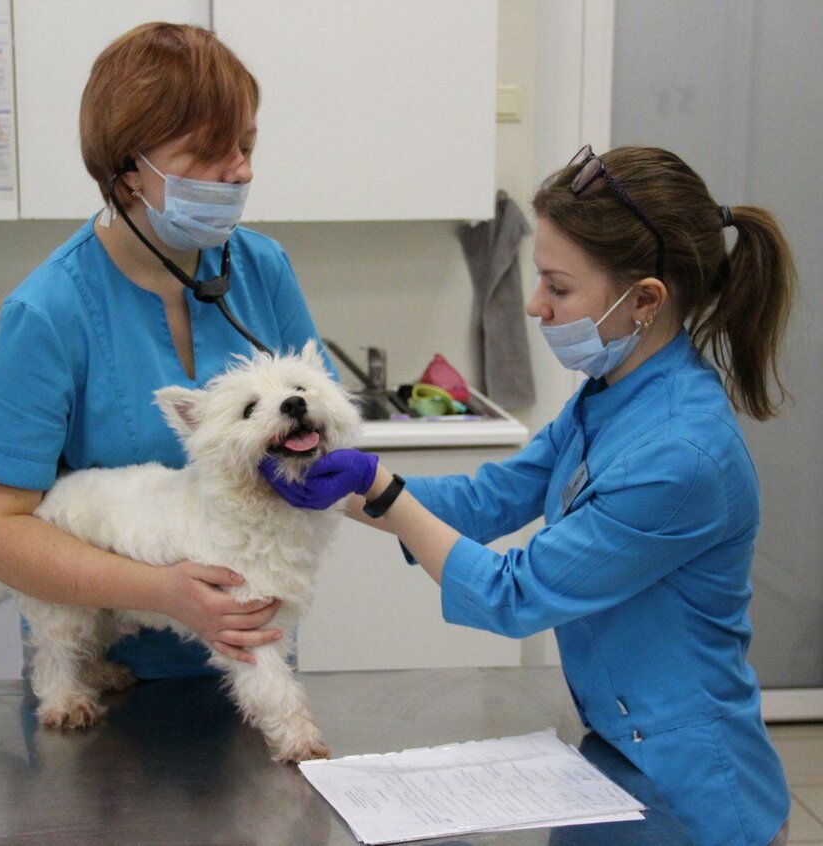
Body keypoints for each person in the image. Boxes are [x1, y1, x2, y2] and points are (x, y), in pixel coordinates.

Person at [261, 145, 794, 846]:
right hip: (614, 757)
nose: (537, 305)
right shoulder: (609, 397)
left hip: (695, 797)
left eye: (558, 287)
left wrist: (381, 491)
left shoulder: (681, 456)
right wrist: (336, 490)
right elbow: (491, 499)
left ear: (644, 300)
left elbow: (516, 595)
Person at [0, 22, 335, 680]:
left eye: (245, 145)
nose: (240, 170)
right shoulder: (48, 312)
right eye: (210, 153)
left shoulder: (262, 269)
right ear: (129, 168)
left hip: (253, 656)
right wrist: (162, 593)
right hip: (106, 675)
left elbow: (328, 445)